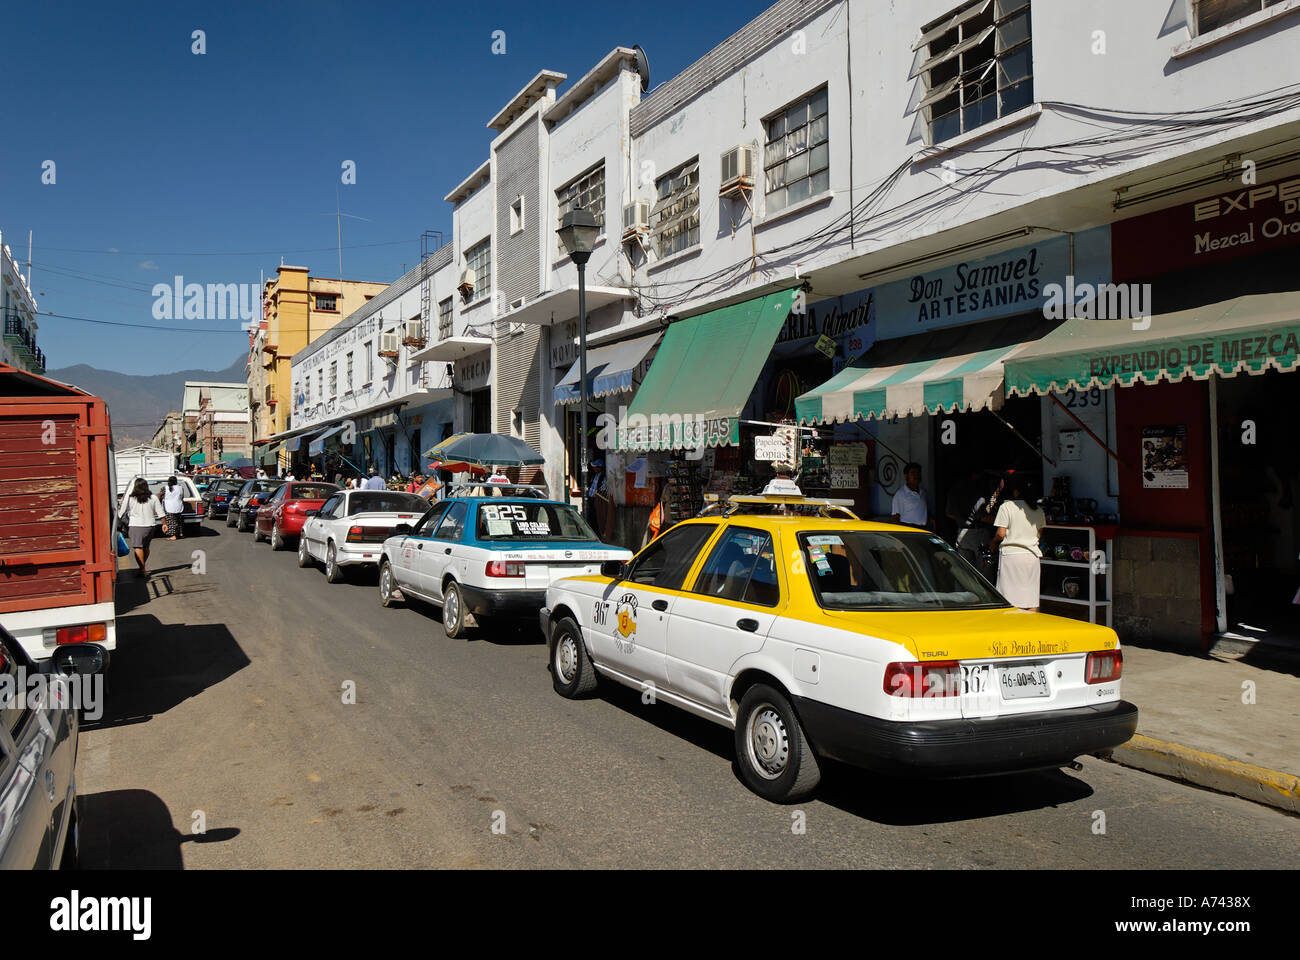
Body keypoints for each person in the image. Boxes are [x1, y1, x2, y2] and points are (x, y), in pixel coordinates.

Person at [990, 471, 1046, 611]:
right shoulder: (1038, 510)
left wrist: (993, 542)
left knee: (1010, 599)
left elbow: (1001, 534)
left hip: (1012, 557)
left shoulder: (1007, 507)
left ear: (1015, 490)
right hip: (1032, 557)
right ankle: (1032, 629)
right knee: (1031, 599)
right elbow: (1039, 533)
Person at [947, 466, 994, 577]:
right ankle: (984, 594)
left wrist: (962, 520)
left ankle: (967, 593)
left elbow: (949, 513)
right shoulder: (979, 489)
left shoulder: (954, 489)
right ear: (975, 474)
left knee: (965, 572)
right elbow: (981, 516)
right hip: (979, 533)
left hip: (962, 533)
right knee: (984, 572)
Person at [118, 477, 165, 577]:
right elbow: (160, 512)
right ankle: (142, 567)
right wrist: (164, 524)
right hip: (150, 526)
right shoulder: (153, 497)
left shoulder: (131, 498)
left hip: (136, 526)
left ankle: (142, 569)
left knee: (138, 547)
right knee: (146, 547)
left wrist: (118, 521)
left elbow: (122, 511)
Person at [890, 462, 929, 528]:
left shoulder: (923, 493)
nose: (916, 475)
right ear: (906, 476)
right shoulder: (900, 494)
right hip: (909, 530)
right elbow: (895, 519)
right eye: (913, 473)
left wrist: (930, 518)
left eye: (918, 473)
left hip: (923, 530)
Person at [161, 476, 186, 540]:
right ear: (176, 481)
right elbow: (182, 497)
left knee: (171, 522)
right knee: (179, 521)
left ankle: (173, 536)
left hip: (169, 507)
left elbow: (161, 495)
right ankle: (180, 534)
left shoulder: (165, 488)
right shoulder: (181, 488)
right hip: (179, 506)